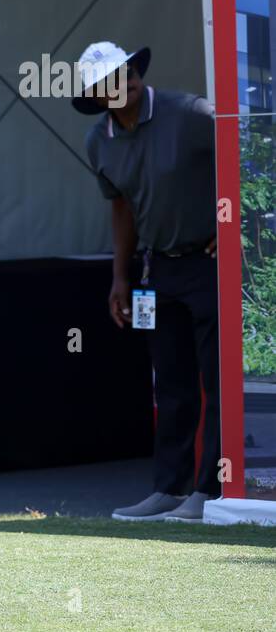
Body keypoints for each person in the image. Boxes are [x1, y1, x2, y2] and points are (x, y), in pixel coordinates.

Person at [76, 41, 220, 523]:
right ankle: (170, 489)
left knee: (217, 380)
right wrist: (120, 276)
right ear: (98, 96)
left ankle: (210, 491)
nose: (128, 79)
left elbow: (249, 152)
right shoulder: (98, 142)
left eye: (129, 70)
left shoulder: (192, 112)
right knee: (171, 383)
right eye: (112, 78)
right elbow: (121, 206)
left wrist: (239, 226)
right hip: (155, 271)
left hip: (209, 263)